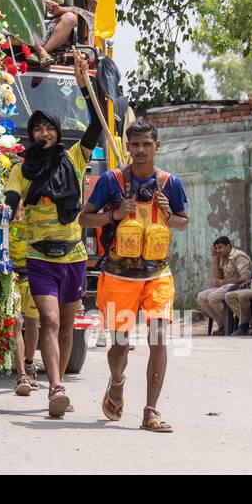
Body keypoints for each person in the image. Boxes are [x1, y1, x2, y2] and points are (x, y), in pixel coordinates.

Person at [4, 55, 103, 417]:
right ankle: (56, 388)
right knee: (49, 320)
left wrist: (83, 86)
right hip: (40, 256)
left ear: (58, 132)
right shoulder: (20, 169)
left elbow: (97, 124)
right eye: (37, 129)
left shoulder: (76, 158)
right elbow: (11, 196)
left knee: (65, 325)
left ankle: (55, 379)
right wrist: (9, 206)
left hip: (74, 255)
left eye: (49, 128)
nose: (43, 134)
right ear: (31, 135)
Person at [79, 118, 188, 433]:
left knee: (158, 339)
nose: (140, 150)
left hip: (157, 274)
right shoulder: (111, 181)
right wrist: (114, 214)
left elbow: (183, 223)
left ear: (157, 146)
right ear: (127, 146)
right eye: (135, 144)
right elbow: (84, 218)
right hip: (118, 275)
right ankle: (116, 381)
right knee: (121, 345)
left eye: (147, 145)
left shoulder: (171, 183)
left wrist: (168, 213)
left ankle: (150, 411)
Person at [195, 236, 252, 333]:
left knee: (213, 297)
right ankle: (225, 324)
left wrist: (225, 282)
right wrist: (215, 260)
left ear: (228, 246)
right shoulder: (223, 258)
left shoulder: (238, 257)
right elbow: (218, 278)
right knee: (201, 297)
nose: (218, 250)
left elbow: (245, 278)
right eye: (216, 248)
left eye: (220, 247)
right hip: (226, 286)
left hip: (239, 286)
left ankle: (228, 324)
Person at [9, 221, 41, 396]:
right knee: (16, 321)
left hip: (33, 276)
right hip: (12, 275)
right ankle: (21, 374)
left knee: (32, 322)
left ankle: (29, 365)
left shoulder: (35, 216)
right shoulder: (6, 213)